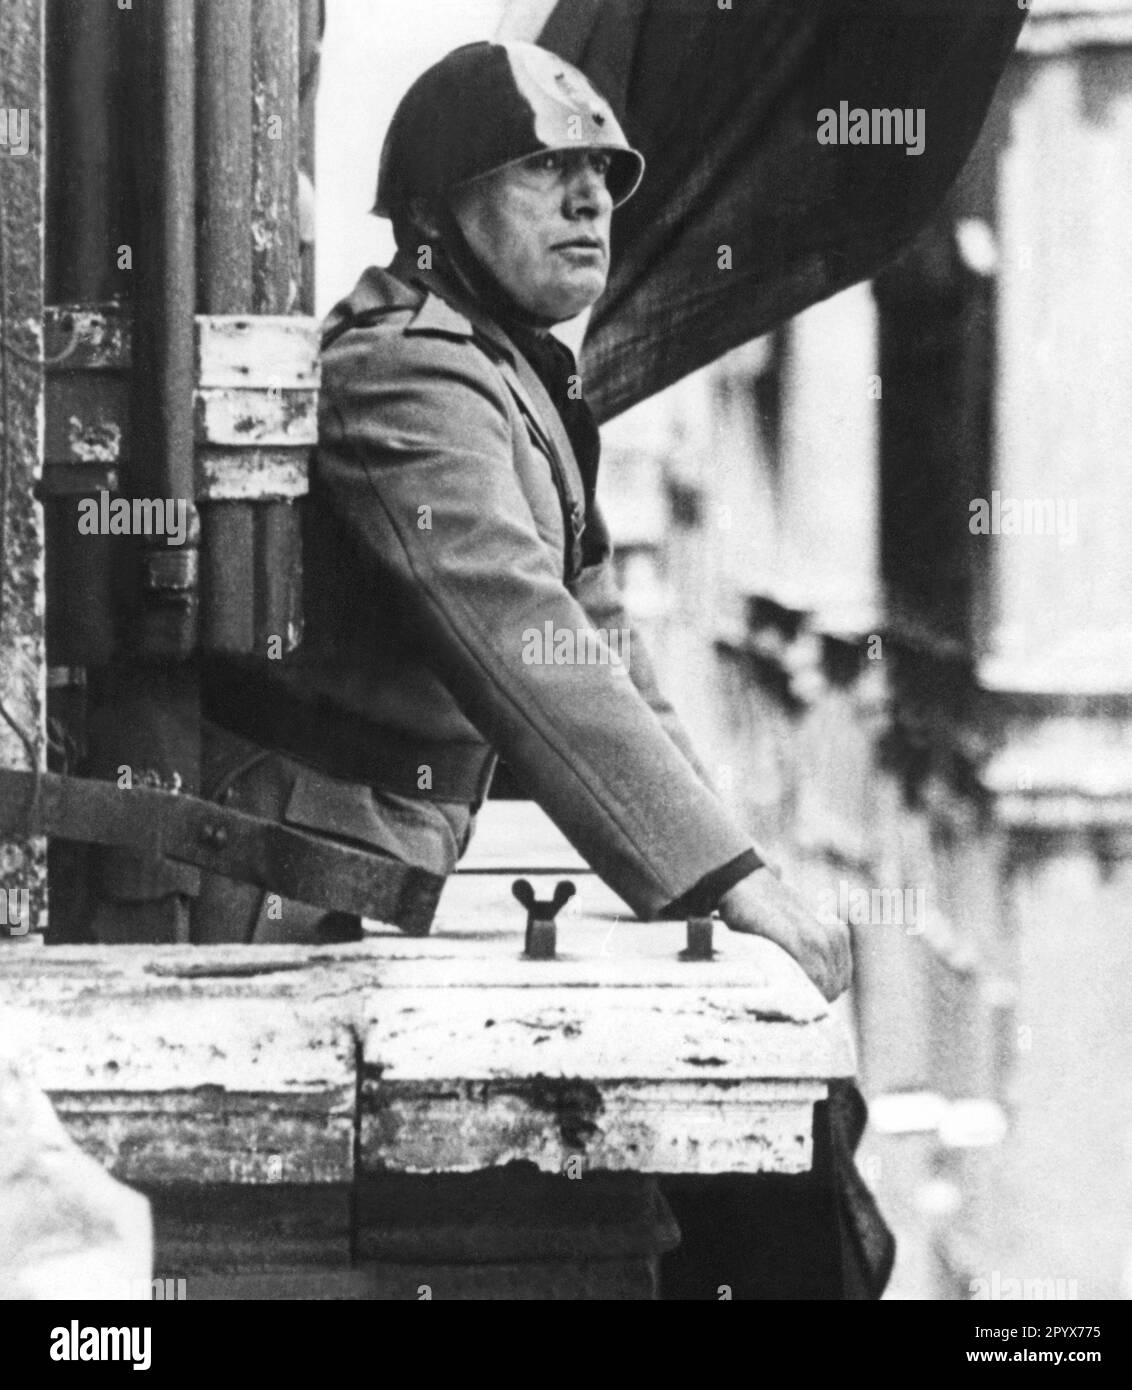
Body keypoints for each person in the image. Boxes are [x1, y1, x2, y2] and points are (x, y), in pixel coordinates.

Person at [198, 39, 849, 1006]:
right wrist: (716, 880)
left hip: (369, 866)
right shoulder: (404, 369)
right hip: (286, 892)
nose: (590, 200)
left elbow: (604, 647)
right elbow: (517, 630)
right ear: (432, 210)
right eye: (546, 166)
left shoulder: (510, 372)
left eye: (599, 172)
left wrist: (732, 863)